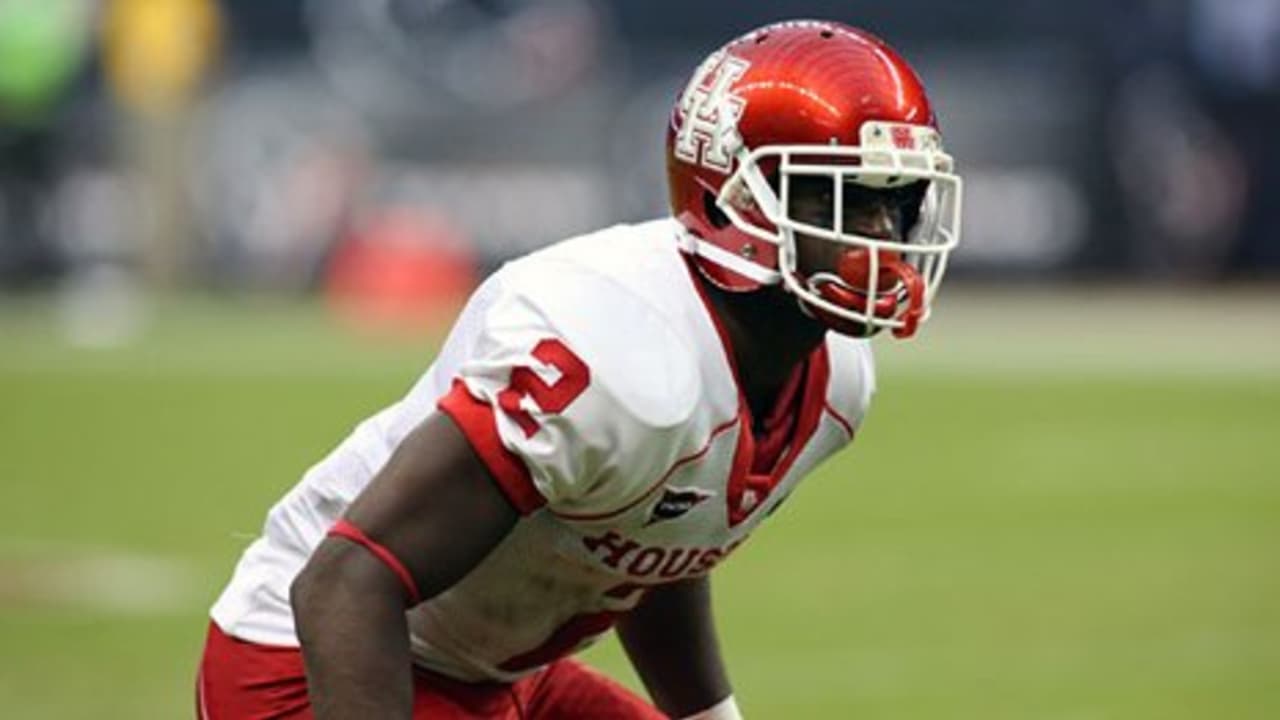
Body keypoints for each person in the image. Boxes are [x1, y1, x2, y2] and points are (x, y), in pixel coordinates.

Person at [196, 19, 962, 720]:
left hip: (493, 672)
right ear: (736, 201)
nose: (880, 239)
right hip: (311, 664)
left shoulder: (837, 381)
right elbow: (343, 583)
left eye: (891, 207)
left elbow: (660, 524)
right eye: (844, 202)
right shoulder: (611, 350)